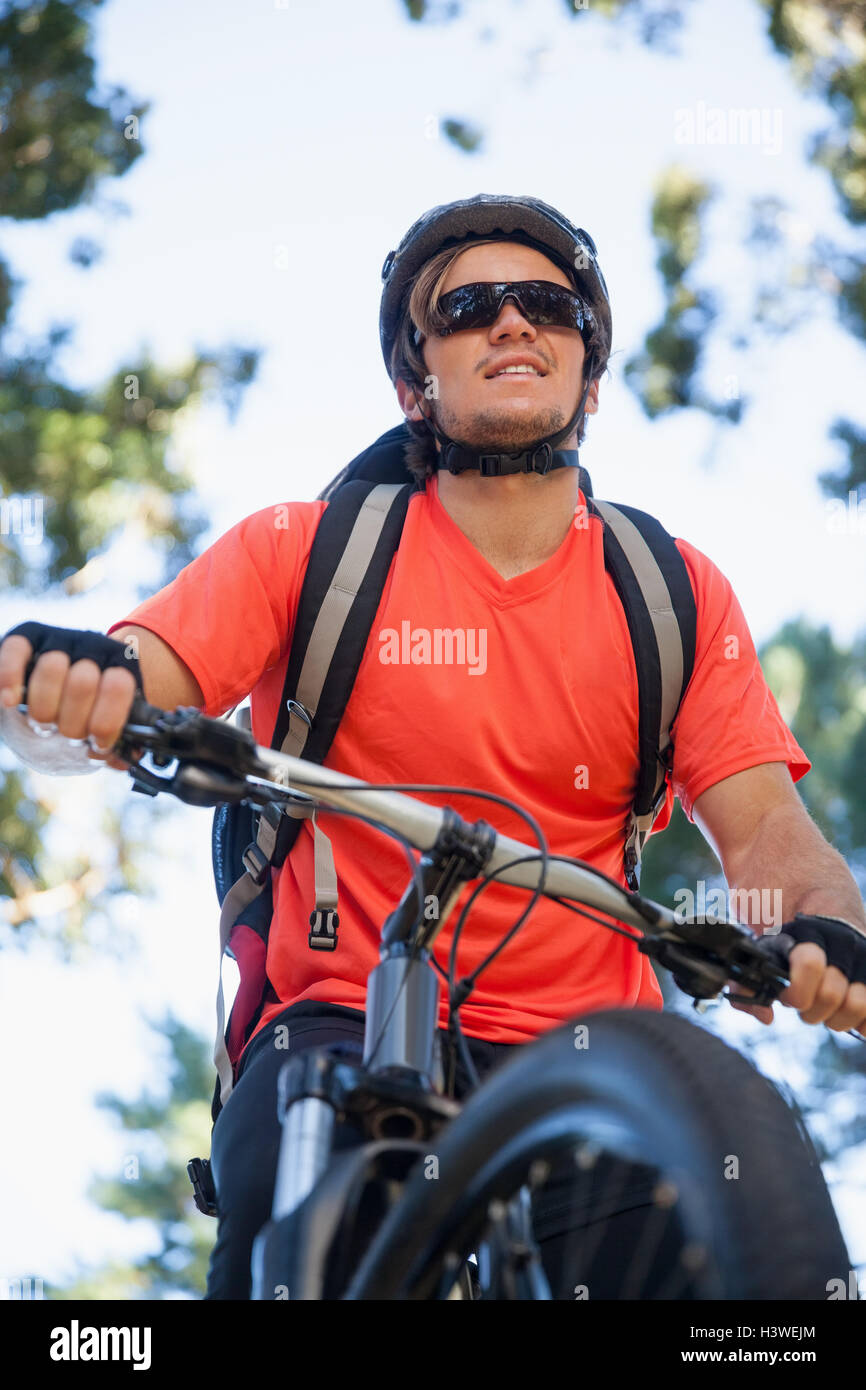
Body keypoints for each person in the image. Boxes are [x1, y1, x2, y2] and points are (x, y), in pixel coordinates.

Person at [2, 194, 865, 1301]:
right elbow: (123, 690)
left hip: (598, 1057)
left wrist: (822, 932)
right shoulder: (304, 552)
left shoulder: (671, 592)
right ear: (417, 381)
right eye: (468, 309)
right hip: (339, 1029)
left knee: (757, 1231)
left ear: (587, 376)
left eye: (546, 304)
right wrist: (65, 691)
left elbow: (768, 841)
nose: (511, 323)